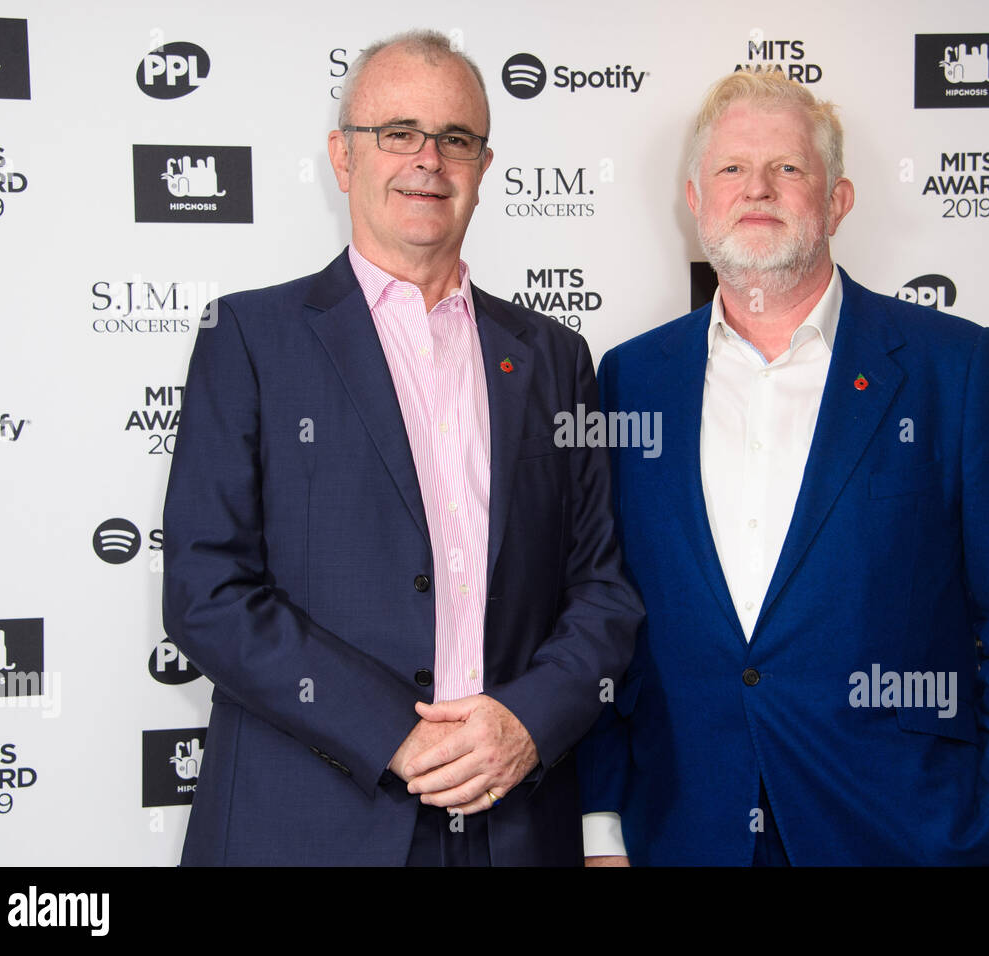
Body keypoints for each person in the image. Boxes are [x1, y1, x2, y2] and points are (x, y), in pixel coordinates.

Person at [162, 30, 641, 866]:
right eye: (398, 133)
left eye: (456, 139)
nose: (429, 159)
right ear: (344, 158)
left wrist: (526, 721)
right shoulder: (250, 338)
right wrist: (393, 734)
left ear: (484, 170)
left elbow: (601, 591)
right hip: (311, 819)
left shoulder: (555, 358)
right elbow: (207, 592)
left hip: (511, 818)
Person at [577, 71, 989, 866]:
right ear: (696, 199)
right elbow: (602, 610)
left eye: (788, 168)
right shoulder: (629, 378)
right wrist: (602, 821)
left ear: (837, 200)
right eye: (733, 170)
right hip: (682, 826)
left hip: (899, 832)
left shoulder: (953, 369)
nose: (758, 189)